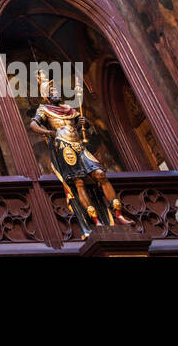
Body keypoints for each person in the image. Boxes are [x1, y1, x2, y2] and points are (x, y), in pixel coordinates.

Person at [29, 72, 131, 238]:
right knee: (79, 182)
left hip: (79, 145)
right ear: (46, 96)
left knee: (100, 174)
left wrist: (82, 122)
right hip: (64, 147)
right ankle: (95, 220)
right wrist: (49, 132)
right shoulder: (44, 109)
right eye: (51, 91)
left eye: (55, 90)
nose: (54, 93)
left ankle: (118, 214)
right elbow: (33, 125)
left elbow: (87, 126)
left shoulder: (69, 110)